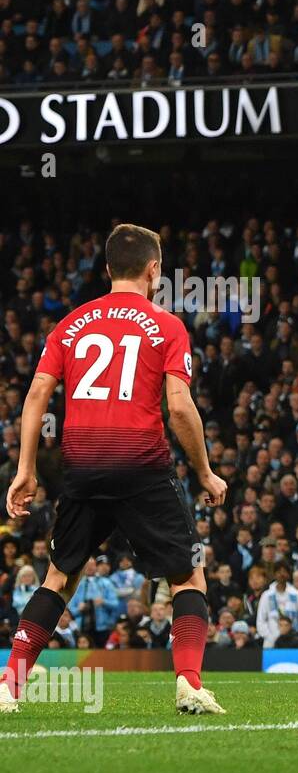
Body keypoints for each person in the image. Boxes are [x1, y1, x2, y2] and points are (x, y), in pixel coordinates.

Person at [3, 223, 227, 714]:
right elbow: (180, 406)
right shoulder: (166, 325)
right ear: (154, 270)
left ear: (107, 270)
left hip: (81, 465)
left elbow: (37, 394)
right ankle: (188, 682)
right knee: (188, 578)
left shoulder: (71, 323)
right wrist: (206, 472)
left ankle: (9, 684)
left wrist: (26, 469)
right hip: (142, 465)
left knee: (59, 577)